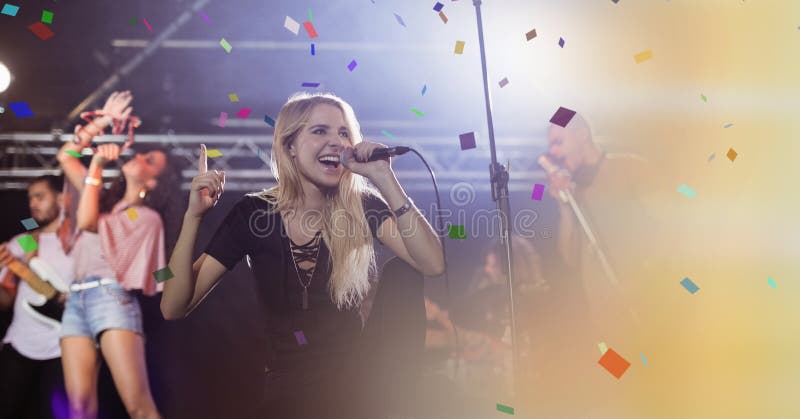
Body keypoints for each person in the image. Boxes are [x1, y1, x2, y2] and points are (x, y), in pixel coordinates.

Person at [161, 92, 445, 418]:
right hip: (289, 393)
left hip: (358, 386)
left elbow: (432, 263)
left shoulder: (362, 206)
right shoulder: (254, 214)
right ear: (290, 146)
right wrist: (193, 217)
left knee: (404, 271)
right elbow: (173, 306)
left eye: (344, 133)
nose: (336, 141)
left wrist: (384, 177)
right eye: (320, 131)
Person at [56, 90, 181, 419]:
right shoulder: (100, 198)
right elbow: (66, 156)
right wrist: (103, 122)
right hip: (75, 298)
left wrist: (97, 165)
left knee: (139, 408)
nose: (140, 157)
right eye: (144, 154)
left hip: (111, 298)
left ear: (153, 183)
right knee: (79, 409)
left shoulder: (146, 218)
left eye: (149, 161)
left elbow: (87, 222)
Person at [0, 175, 72, 419]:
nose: (33, 203)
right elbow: (5, 301)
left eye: (40, 197)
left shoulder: (79, 241)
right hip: (19, 345)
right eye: (30, 198)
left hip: (64, 348)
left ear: (61, 199)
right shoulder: (25, 242)